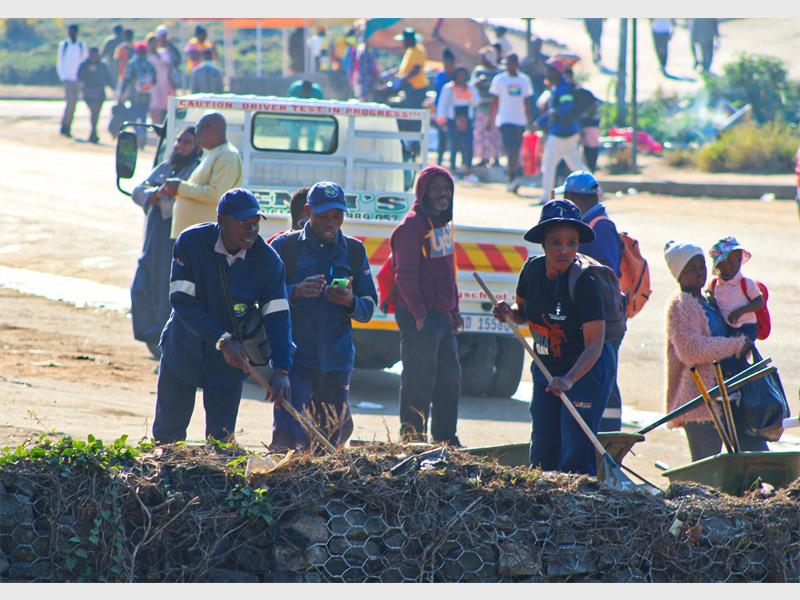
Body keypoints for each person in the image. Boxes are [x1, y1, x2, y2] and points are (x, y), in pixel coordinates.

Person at [153, 188, 293, 443]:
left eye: (255, 223)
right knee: (168, 435)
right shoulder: (191, 242)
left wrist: (282, 368)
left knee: (221, 440)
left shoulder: (268, 261)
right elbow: (182, 301)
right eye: (243, 223)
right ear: (221, 220)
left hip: (231, 361)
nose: (251, 230)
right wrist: (223, 340)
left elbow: (278, 316)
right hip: (184, 348)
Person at [492, 199, 615, 475]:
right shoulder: (532, 271)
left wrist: (569, 379)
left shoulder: (585, 283)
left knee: (576, 456)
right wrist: (508, 314)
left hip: (584, 372)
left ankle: (578, 510)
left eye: (572, 242)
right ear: (543, 243)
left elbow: (595, 344)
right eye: (556, 242)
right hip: (546, 369)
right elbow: (522, 312)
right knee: (544, 449)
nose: (564, 250)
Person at [270, 182, 377, 450]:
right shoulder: (285, 246)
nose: (330, 223)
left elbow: (368, 307)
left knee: (331, 440)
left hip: (337, 361)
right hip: (296, 360)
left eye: (337, 216)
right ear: (307, 211)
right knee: (289, 437)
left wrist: (350, 301)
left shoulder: (354, 251)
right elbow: (263, 298)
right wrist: (296, 291)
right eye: (323, 216)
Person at [663, 241, 766, 461]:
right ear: (679, 275)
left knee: (754, 459)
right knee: (706, 472)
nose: (699, 272)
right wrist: (736, 344)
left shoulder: (711, 298)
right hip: (700, 402)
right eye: (691, 269)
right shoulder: (681, 305)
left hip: (729, 395)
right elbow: (692, 350)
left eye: (701, 266)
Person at [390, 165, 463, 446]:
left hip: (442, 315)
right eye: (436, 189)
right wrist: (419, 313)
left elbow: (447, 272)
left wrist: (453, 309)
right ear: (423, 193)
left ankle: (446, 439)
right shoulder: (412, 226)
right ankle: (412, 439)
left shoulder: (441, 225)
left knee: (449, 379)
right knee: (418, 381)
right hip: (419, 315)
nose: (443, 194)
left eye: (447, 188)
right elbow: (404, 274)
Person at [557, 171, 623, 432]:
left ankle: (609, 440)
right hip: (595, 317)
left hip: (604, 319)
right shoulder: (591, 223)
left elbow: (604, 274)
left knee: (605, 377)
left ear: (573, 197)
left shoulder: (600, 226)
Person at [130, 127, 203, 357]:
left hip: (174, 239)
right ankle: (152, 336)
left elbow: (185, 203)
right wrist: (155, 194)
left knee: (166, 291)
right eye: (178, 141)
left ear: (198, 147)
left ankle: (167, 344)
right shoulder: (165, 167)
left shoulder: (197, 171)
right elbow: (138, 191)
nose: (179, 145)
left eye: (186, 142)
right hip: (153, 240)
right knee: (142, 286)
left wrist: (165, 196)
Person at [158, 112, 243, 240]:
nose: (196, 135)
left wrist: (179, 187)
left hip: (205, 239)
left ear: (209, 129)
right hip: (194, 238)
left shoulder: (227, 155)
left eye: (198, 129)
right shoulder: (213, 153)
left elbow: (216, 194)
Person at [535, 57, 588, 204]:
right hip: (567, 132)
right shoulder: (558, 86)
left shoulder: (562, 87)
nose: (546, 73)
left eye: (549, 70)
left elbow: (567, 105)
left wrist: (553, 114)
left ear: (556, 72)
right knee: (575, 164)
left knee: (549, 164)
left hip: (560, 133)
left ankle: (546, 197)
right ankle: (595, 190)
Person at [487, 53, 533, 193]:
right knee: (510, 147)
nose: (510, 66)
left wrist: (529, 121)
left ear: (517, 63)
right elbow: (495, 101)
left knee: (516, 148)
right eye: (508, 63)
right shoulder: (500, 80)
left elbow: (526, 102)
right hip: (505, 119)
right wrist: (490, 119)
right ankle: (513, 177)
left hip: (519, 120)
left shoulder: (524, 80)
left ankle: (513, 175)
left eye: (512, 63)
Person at [708, 237, 763, 342]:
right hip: (725, 326)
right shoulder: (714, 284)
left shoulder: (745, 283)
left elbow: (759, 301)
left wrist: (740, 311)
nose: (734, 264)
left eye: (738, 259)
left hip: (746, 326)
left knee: (735, 353)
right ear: (719, 264)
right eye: (728, 260)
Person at [436, 67, 480, 181]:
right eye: (459, 76)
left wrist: (468, 92)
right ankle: (452, 171)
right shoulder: (448, 88)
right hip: (452, 121)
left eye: (463, 75)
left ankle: (468, 172)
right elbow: (442, 105)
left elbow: (476, 102)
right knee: (453, 146)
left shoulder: (470, 88)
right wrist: (441, 121)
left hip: (467, 119)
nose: (461, 78)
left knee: (468, 145)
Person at [119, 42, 157, 147]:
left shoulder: (132, 64)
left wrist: (121, 94)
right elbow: (154, 81)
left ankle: (138, 135)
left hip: (134, 96)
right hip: (146, 96)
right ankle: (142, 136)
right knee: (143, 116)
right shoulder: (150, 65)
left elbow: (126, 80)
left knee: (134, 117)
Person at [471, 46, 503, 168]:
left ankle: (496, 158)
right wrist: (478, 82)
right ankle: (484, 158)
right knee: (482, 133)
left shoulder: (499, 72)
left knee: (495, 134)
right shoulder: (478, 71)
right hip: (482, 107)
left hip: (495, 109)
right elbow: (471, 85)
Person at [56, 24, 88, 138]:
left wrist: (84, 78)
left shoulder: (81, 45)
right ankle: (65, 126)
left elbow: (85, 62)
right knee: (70, 103)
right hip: (67, 78)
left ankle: (67, 125)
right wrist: (63, 76)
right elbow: (60, 62)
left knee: (74, 104)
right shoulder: (64, 45)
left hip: (78, 80)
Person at [77, 47, 113, 143]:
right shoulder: (84, 65)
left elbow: (108, 79)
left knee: (96, 113)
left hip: (100, 93)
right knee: (94, 112)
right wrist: (88, 72)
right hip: (89, 92)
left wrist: (115, 88)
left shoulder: (103, 66)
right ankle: (93, 132)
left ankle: (93, 132)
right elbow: (79, 76)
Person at [145, 32, 175, 125]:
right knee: (154, 107)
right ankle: (155, 125)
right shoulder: (146, 56)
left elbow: (171, 65)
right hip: (153, 85)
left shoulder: (163, 53)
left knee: (164, 107)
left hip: (164, 84)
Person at [395, 27, 429, 109]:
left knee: (413, 112)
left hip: (416, 88)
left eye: (404, 40)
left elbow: (416, 70)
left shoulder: (418, 50)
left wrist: (402, 79)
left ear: (409, 39)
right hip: (410, 88)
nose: (403, 42)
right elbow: (406, 66)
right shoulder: (410, 50)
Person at [433, 49, 456, 166]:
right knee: (442, 137)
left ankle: (453, 163)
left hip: (453, 112)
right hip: (441, 111)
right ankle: (439, 161)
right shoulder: (440, 76)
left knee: (454, 138)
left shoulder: (456, 76)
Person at [579, 95, 601, 172]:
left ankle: (592, 174)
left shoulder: (597, 117)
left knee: (593, 163)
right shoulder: (584, 117)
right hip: (587, 143)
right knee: (587, 161)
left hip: (595, 143)